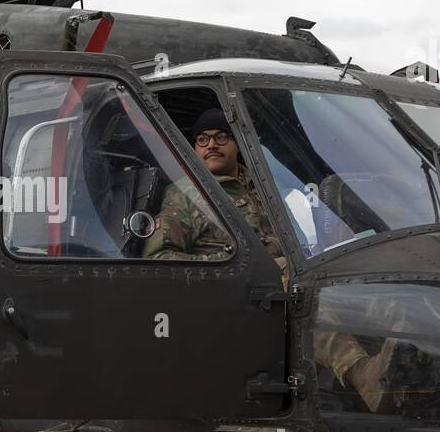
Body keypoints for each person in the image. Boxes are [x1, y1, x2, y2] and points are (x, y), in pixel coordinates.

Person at [143, 108, 396, 411]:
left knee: (352, 290)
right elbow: (160, 259)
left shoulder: (264, 187)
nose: (211, 144)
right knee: (306, 299)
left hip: (284, 281)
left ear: (237, 144)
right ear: (194, 149)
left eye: (221, 137)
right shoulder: (186, 195)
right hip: (236, 292)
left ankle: (401, 361)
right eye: (202, 139)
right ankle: (362, 375)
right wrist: (234, 261)